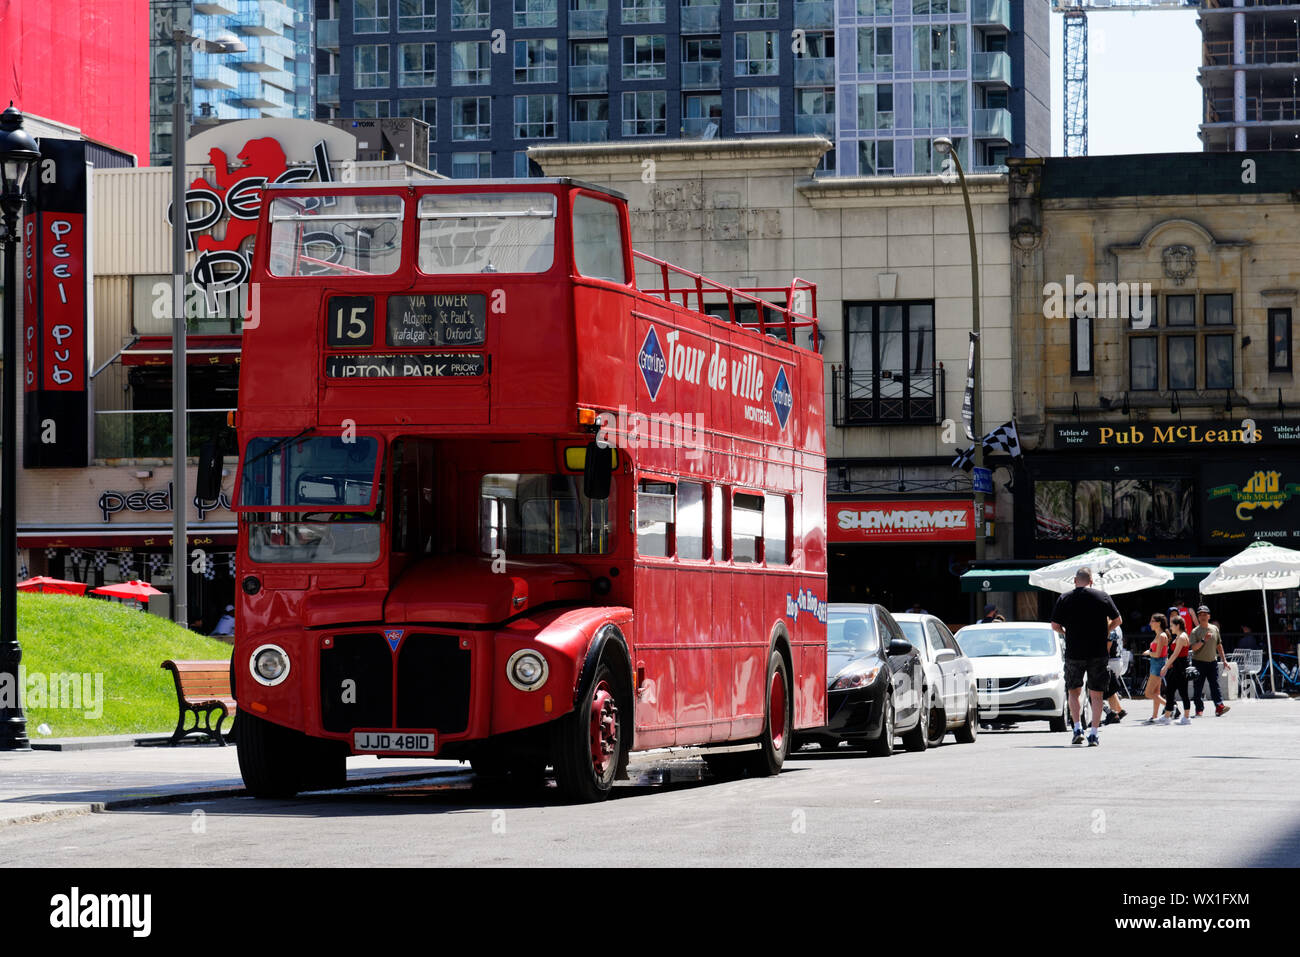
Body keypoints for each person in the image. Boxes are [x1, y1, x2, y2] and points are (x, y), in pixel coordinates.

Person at [1050, 566, 1121, 747]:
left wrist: (1067, 633)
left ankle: (1077, 728)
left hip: (1074, 652)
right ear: (1091, 581)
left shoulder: (1064, 598)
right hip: (1098, 652)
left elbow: (1054, 625)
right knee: (1097, 695)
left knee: (1074, 691)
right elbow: (1118, 620)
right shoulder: (1102, 596)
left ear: (1075, 581)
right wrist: (1105, 630)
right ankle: (1094, 734)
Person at [1190, 604, 1231, 717]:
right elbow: (1193, 647)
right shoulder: (1195, 631)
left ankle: (1219, 707)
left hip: (1212, 662)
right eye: (1200, 614)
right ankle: (1199, 709)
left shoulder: (1214, 628)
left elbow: (1219, 645)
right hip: (1198, 662)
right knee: (1198, 687)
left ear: (1209, 616)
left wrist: (1224, 660)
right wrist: (1203, 640)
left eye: (1205, 614)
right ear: (1198, 617)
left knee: (1215, 685)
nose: (1203, 616)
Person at [1160, 617, 1192, 725]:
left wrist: (1165, 666)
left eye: (1172, 625)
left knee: (1183, 693)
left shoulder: (1182, 637)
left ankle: (1186, 718)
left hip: (1180, 668)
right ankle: (1167, 716)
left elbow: (1175, 654)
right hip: (1176, 667)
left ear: (1178, 625)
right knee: (1170, 691)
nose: (1170, 627)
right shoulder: (1180, 636)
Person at [1142, 613, 1169, 723]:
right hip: (1155, 664)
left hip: (1157, 665)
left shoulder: (1162, 636)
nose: (1150, 623)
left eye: (1152, 621)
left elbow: (1157, 654)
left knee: (1148, 693)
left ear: (1158, 623)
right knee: (1156, 693)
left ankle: (1170, 707)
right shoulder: (1159, 635)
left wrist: (1148, 653)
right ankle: (1154, 716)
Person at [1101, 626, 1128, 725]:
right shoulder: (1118, 628)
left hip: (1111, 660)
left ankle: (1114, 715)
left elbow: (1108, 647)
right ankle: (1119, 711)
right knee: (1112, 689)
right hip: (1117, 660)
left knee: (1109, 690)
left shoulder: (1110, 628)